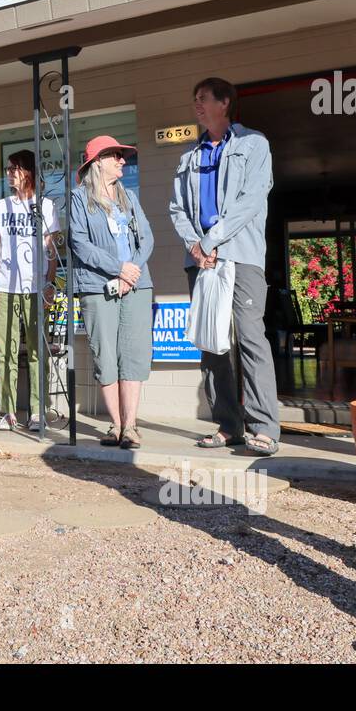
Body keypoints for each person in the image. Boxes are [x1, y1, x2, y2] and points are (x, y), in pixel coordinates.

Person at [168, 77, 281, 456]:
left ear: (224, 103)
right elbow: (177, 209)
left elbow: (251, 200)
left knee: (250, 338)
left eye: (203, 99)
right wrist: (194, 245)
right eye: (194, 99)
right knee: (211, 341)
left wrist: (211, 240)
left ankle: (263, 427)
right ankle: (228, 425)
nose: (197, 105)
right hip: (200, 260)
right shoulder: (189, 156)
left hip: (242, 256)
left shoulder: (254, 144)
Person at [69, 136, 154, 448]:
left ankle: (130, 426)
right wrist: (118, 268)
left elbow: (146, 239)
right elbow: (78, 242)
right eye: (115, 156)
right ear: (97, 162)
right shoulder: (79, 198)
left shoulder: (128, 196)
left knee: (133, 354)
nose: (122, 161)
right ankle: (115, 426)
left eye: (122, 156)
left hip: (136, 285)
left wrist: (131, 271)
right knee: (105, 354)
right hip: (96, 286)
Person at [0, 150, 59, 432]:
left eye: (13, 169)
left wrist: (49, 284)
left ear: (26, 171)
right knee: (6, 351)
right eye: (7, 169)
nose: (8, 174)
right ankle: (8, 411)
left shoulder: (46, 206)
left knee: (37, 351)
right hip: (5, 287)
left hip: (35, 288)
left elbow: (51, 249)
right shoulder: (1, 206)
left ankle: (38, 410)